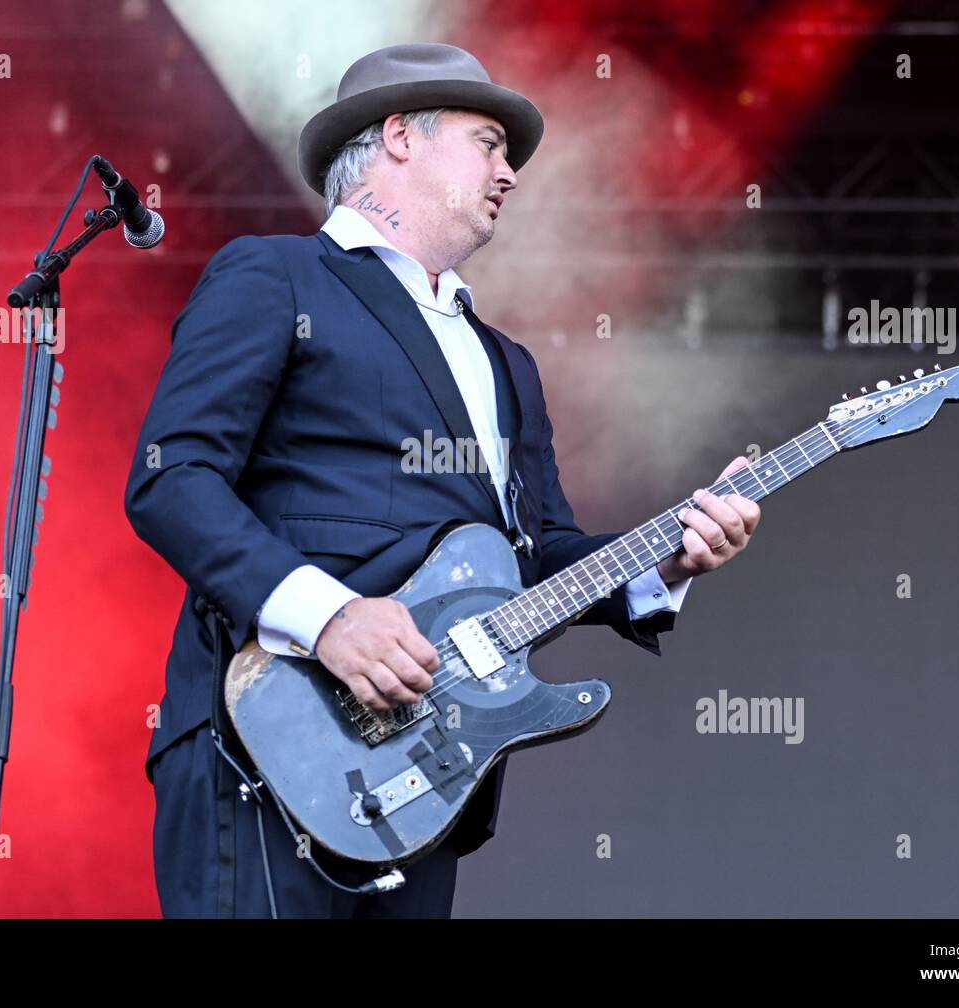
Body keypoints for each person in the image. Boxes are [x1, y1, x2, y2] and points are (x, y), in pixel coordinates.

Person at [124, 42, 761, 919]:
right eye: (488, 142)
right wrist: (330, 617)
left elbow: (539, 556)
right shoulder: (276, 275)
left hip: (422, 778)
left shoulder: (506, 362)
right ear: (399, 138)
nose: (510, 171)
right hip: (267, 748)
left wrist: (668, 559)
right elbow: (173, 478)